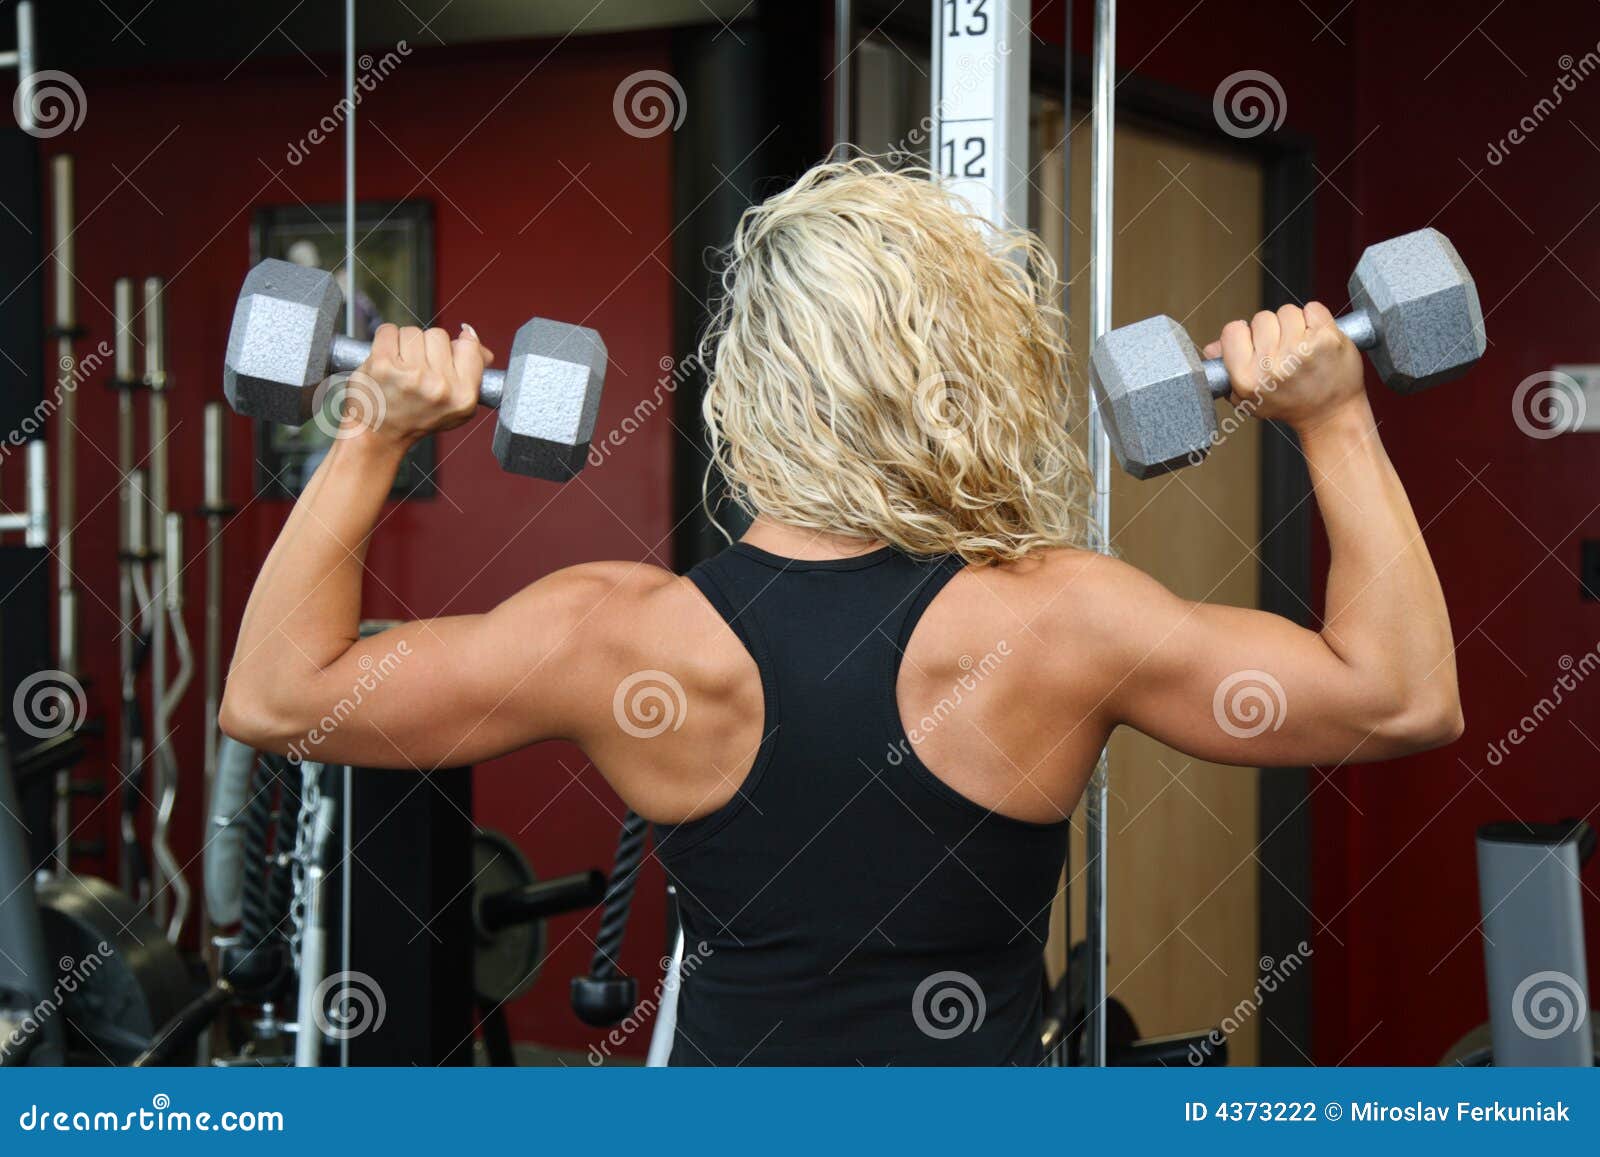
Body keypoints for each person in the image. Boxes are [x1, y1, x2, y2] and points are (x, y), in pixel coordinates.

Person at [221, 158, 1463, 1065]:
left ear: (747, 384)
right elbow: (1402, 697)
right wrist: (1332, 415)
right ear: (973, 369)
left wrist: (373, 432)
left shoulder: (617, 632)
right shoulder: (1061, 619)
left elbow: (276, 696)